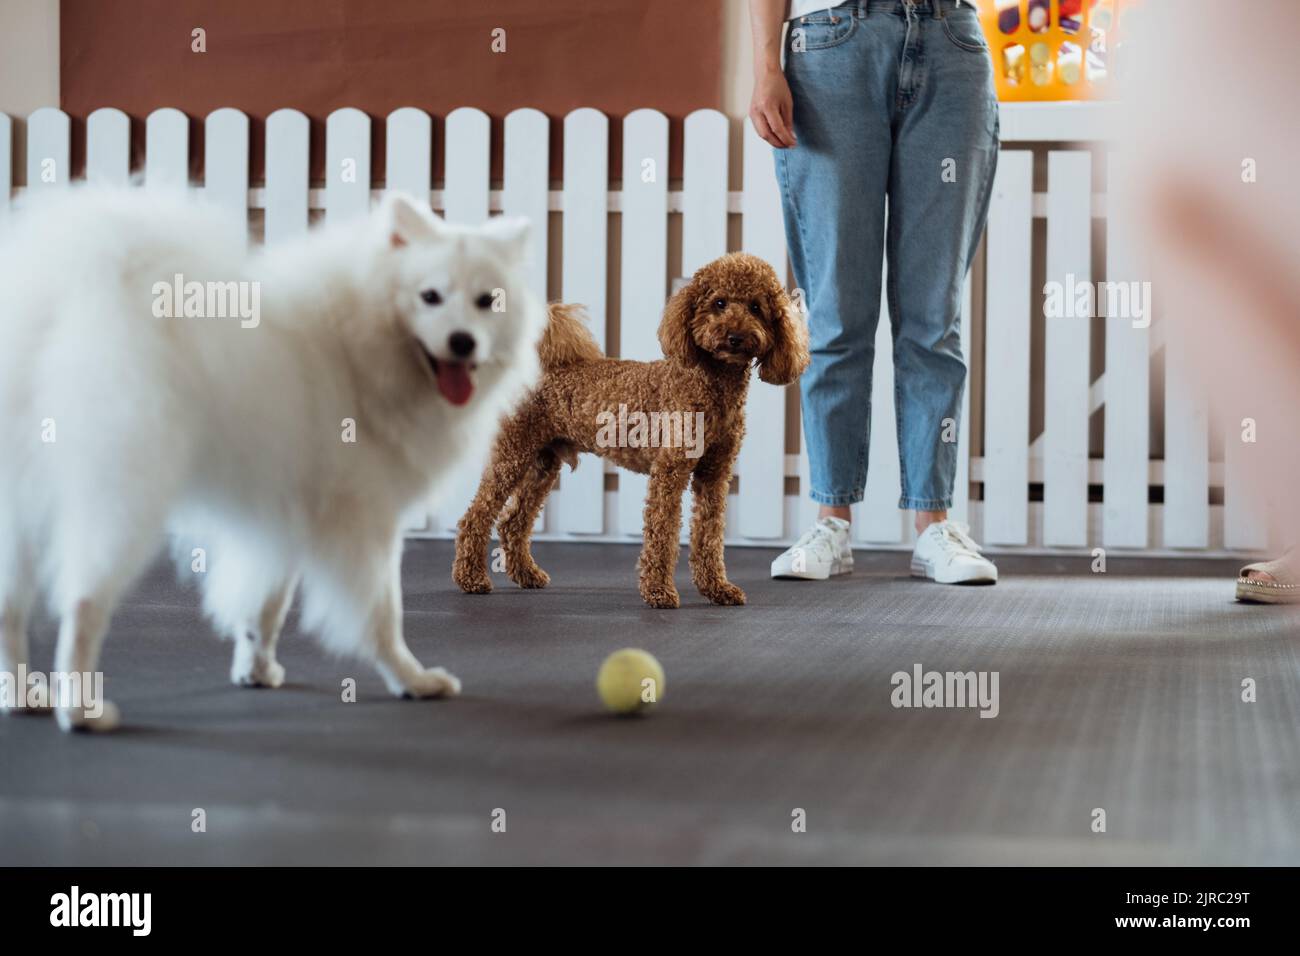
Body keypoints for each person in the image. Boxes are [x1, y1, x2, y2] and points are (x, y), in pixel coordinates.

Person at [748, 0, 1000, 584]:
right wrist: (766, 63)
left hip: (951, 39)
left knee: (934, 315)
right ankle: (831, 520)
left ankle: (934, 526)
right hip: (831, 45)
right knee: (836, 311)